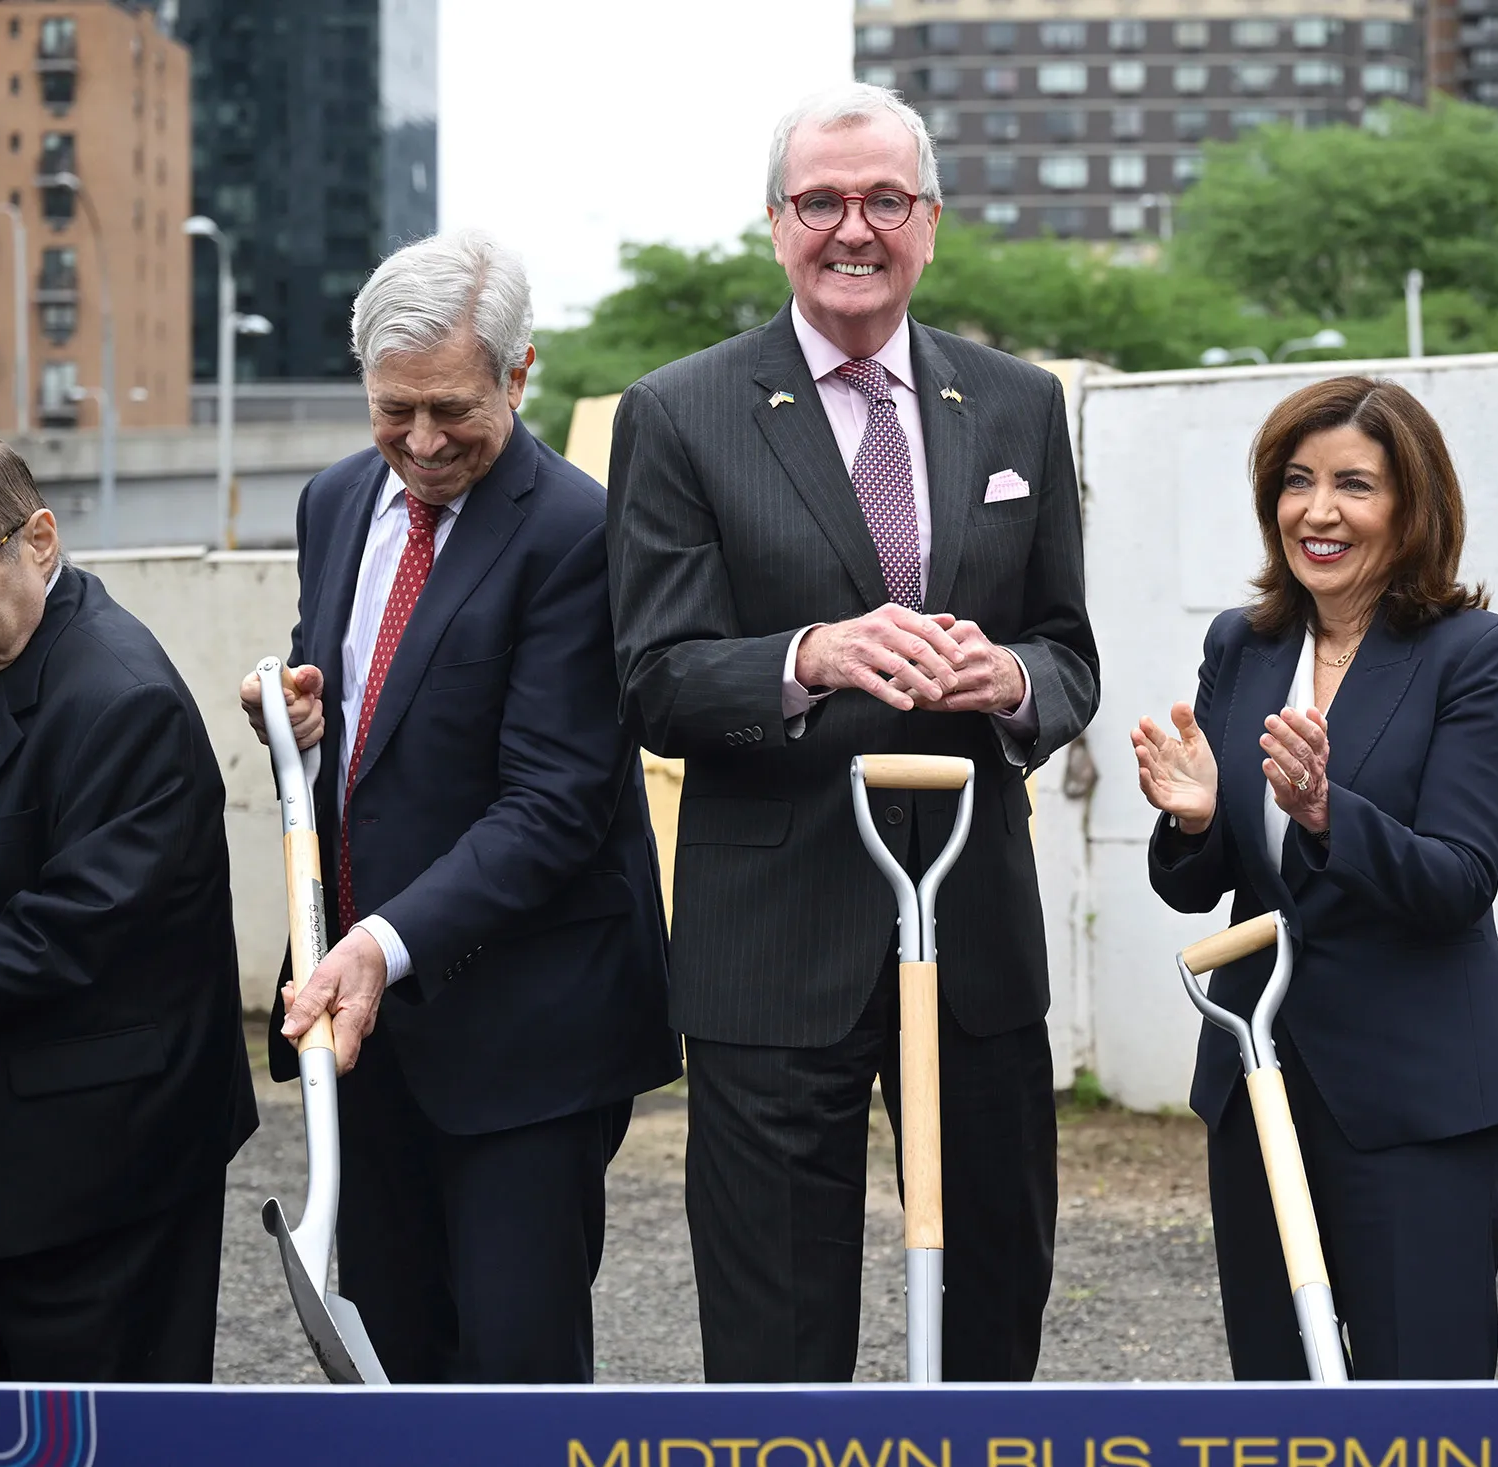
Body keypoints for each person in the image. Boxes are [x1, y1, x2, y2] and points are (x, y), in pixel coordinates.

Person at [605, 82, 1098, 1382]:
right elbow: (653, 678)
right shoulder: (680, 412)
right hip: (773, 942)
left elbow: (1069, 649)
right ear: (776, 226)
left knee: (996, 1302)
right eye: (822, 200)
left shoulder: (1016, 405)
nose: (854, 227)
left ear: (930, 222)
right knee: (774, 1335)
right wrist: (806, 656)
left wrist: (1013, 682)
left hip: (975, 929)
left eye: (885, 198)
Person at [238, 230, 679, 1383]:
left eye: (451, 410)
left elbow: (553, 803)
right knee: (389, 1354)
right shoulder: (336, 501)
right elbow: (348, 703)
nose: (421, 446)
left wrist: (382, 945)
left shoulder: (580, 531)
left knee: (513, 1370)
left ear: (519, 375)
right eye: (394, 412)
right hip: (365, 1023)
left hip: (528, 1030)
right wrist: (290, 716)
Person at [0, 427, 256, 1465]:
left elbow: (69, 933)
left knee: (94, 1446)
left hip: (94, 1180)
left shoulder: (117, 696)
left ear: (37, 538)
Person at [1133, 376, 1498, 1380]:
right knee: (1277, 1390)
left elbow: (1457, 880)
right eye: (1295, 482)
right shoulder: (1246, 643)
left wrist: (1323, 812)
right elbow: (1211, 883)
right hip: (1258, 1072)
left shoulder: (1470, 655)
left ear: (1411, 504)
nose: (1318, 511)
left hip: (1411, 1093)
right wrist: (1192, 821)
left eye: (1354, 484)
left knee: (1421, 1397)